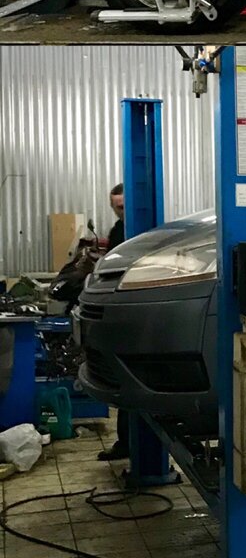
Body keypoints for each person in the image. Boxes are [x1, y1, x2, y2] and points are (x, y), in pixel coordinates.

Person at [97, 182, 129, 461]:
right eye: (116, 207)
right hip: (119, 310)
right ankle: (127, 443)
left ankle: (130, 444)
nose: (120, 211)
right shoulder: (118, 230)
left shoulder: (143, 229)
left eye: (123, 206)